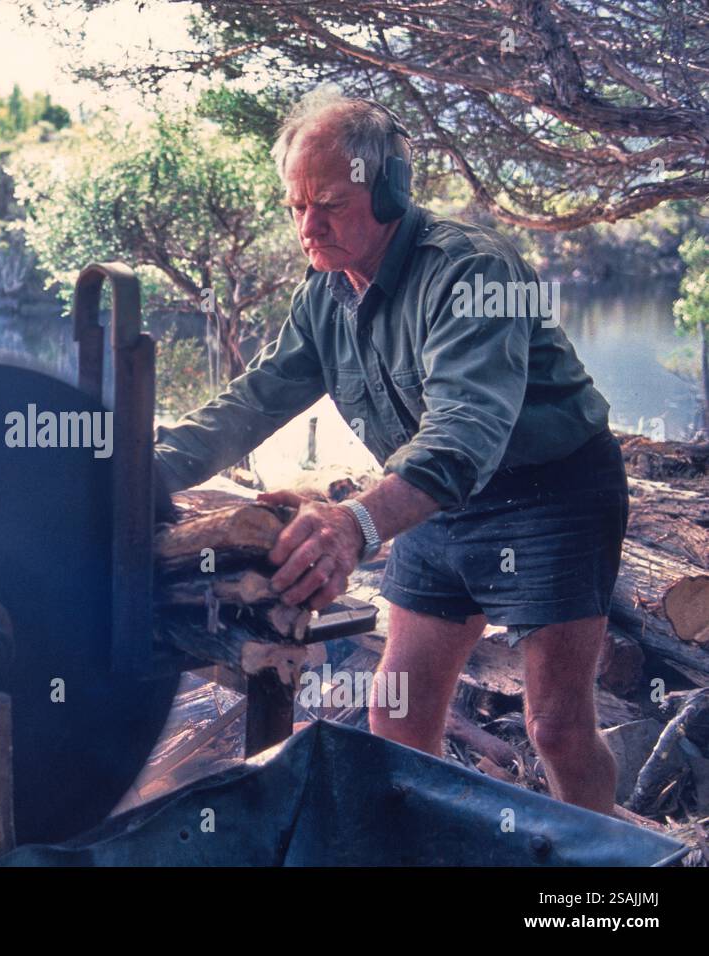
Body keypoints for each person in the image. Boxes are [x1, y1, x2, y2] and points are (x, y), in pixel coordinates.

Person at [153, 89, 626, 814]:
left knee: (556, 727)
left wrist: (355, 523)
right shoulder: (323, 297)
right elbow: (254, 400)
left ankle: (606, 890)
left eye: (331, 204)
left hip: (549, 497)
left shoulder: (472, 273)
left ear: (391, 191)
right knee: (398, 715)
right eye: (296, 207)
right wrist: (136, 470)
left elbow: (465, 433)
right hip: (431, 501)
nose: (308, 226)